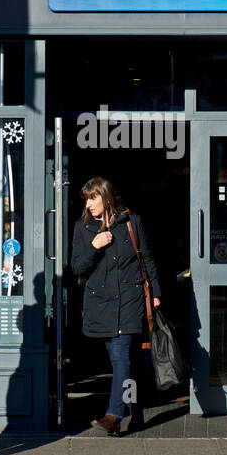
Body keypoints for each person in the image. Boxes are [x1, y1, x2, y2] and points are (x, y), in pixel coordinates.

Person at [70, 177, 161, 435]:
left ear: (106, 197)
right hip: (101, 302)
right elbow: (77, 267)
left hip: (130, 299)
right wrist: (94, 246)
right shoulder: (83, 228)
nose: (88, 204)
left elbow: (147, 258)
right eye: (86, 199)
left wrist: (154, 292)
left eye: (93, 198)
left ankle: (113, 414)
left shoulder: (131, 222)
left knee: (121, 356)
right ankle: (136, 410)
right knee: (122, 361)